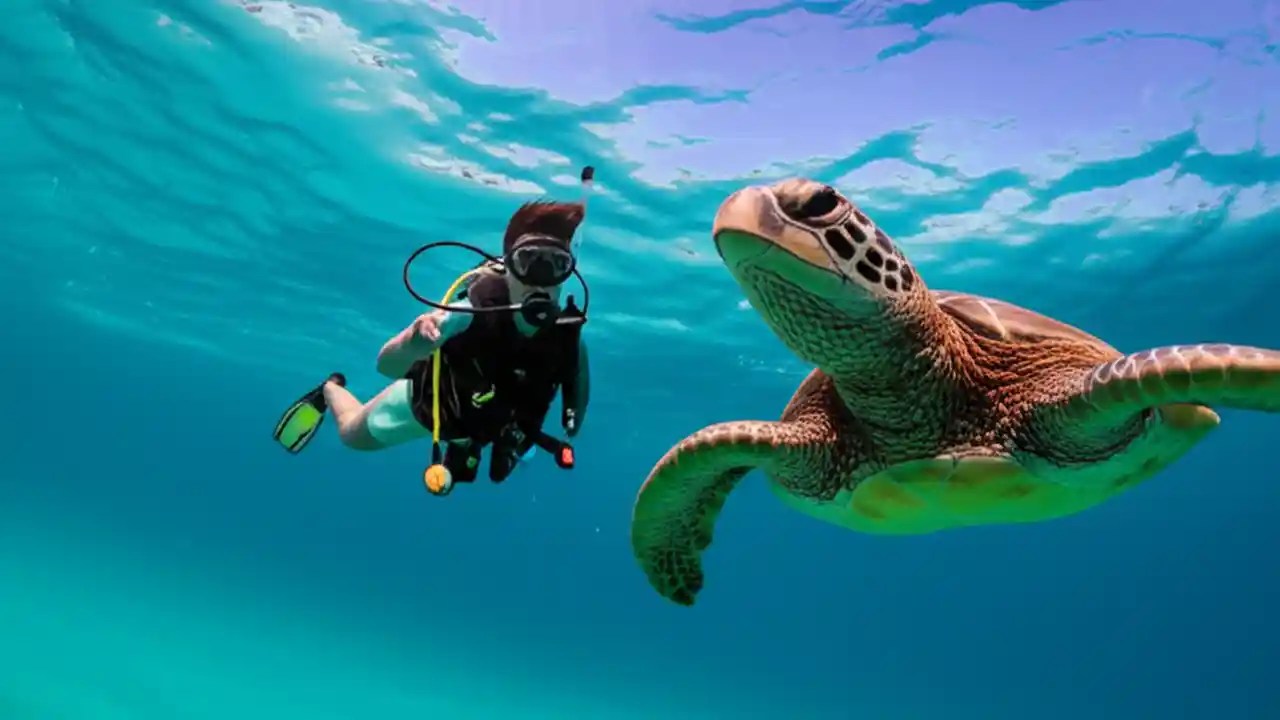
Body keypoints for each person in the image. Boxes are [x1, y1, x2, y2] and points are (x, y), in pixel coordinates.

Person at [273, 170, 594, 496]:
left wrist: (572, 422)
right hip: (430, 406)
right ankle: (330, 388)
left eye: (556, 264)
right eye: (529, 262)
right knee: (352, 436)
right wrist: (413, 342)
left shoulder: (566, 335)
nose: (540, 279)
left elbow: (577, 378)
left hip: (492, 419)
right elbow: (387, 367)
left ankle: (477, 446)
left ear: (568, 272)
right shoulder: (468, 313)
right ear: (507, 266)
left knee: (501, 455)